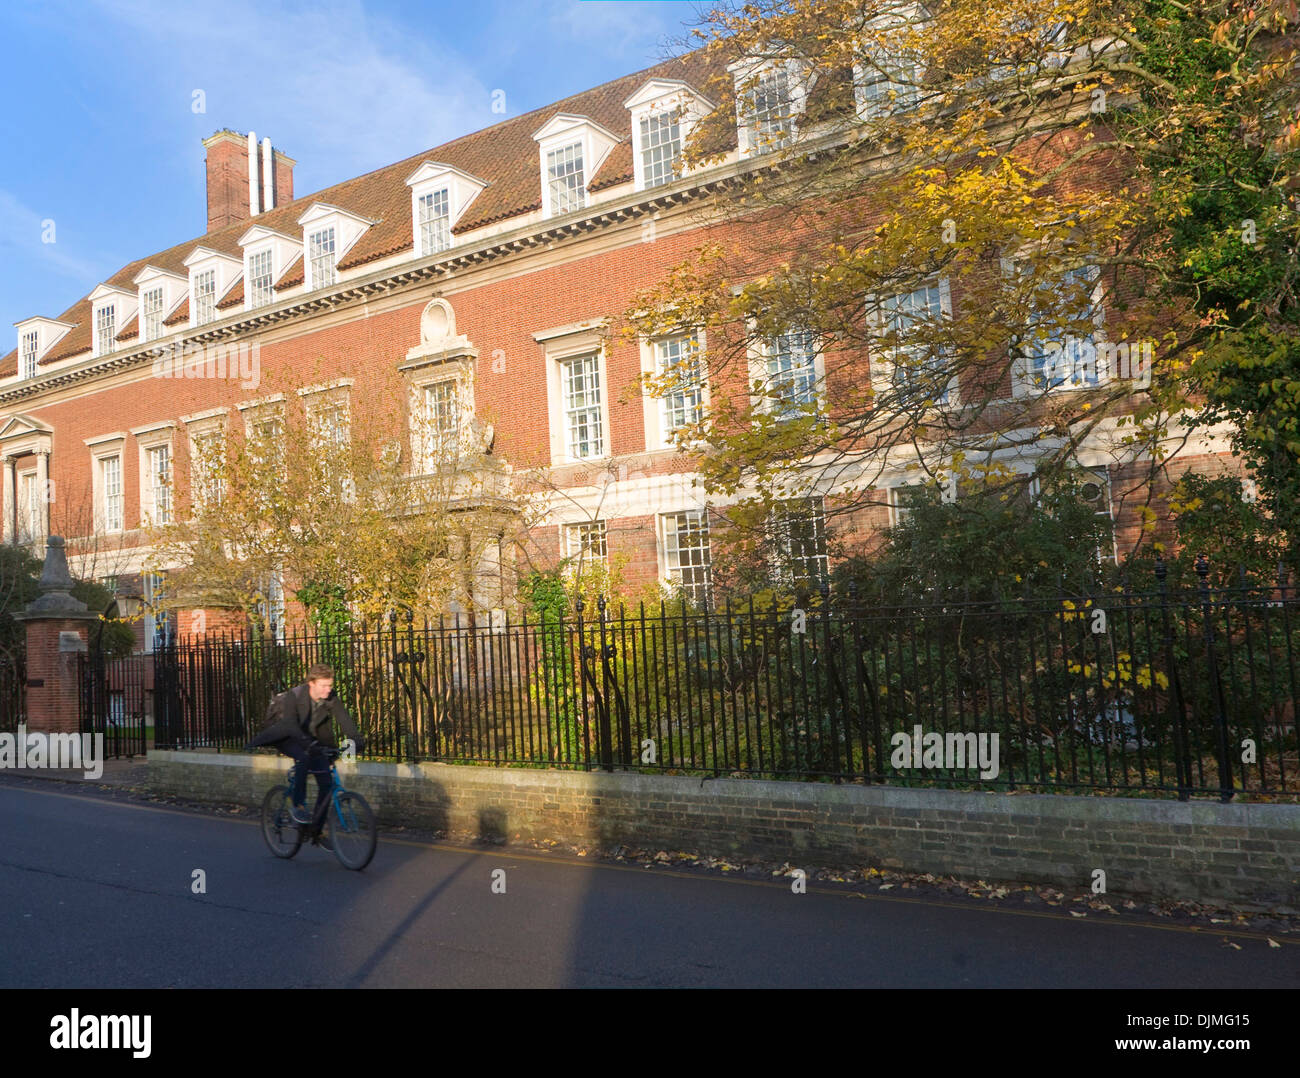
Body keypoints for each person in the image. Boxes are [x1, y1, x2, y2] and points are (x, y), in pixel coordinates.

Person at [246, 663, 364, 847]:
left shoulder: (330, 698)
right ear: (312, 683)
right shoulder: (295, 696)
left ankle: (316, 830)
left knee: (326, 784)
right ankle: (298, 806)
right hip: (287, 736)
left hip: (312, 739)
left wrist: (356, 740)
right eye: (324, 685)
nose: (328, 689)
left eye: (330, 685)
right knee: (303, 756)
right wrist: (309, 745)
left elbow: (344, 720)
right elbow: (291, 725)